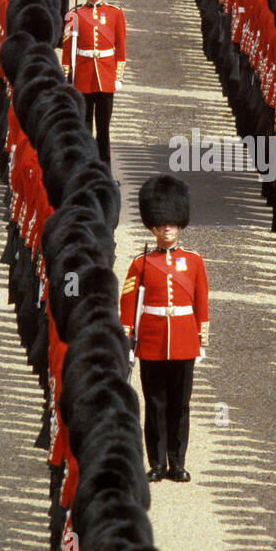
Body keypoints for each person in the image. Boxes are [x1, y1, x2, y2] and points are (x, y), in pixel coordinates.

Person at [119, 175, 208, 485]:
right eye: (161, 223)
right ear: (153, 227)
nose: (167, 227)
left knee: (180, 405)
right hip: (153, 340)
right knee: (155, 404)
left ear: (179, 225)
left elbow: (201, 303)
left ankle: (177, 462)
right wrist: (128, 339)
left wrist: (201, 340)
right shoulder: (140, 263)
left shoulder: (194, 262)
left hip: (183, 340)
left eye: (171, 223)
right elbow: (128, 303)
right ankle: (156, 463)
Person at [62, 0, 125, 168]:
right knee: (85, 126)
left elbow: (121, 50)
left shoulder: (116, 14)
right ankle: (86, 165)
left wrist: (117, 77)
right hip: (84, 75)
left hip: (106, 76)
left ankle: (105, 167)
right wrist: (67, 76)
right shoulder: (75, 15)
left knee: (104, 129)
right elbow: (68, 51)